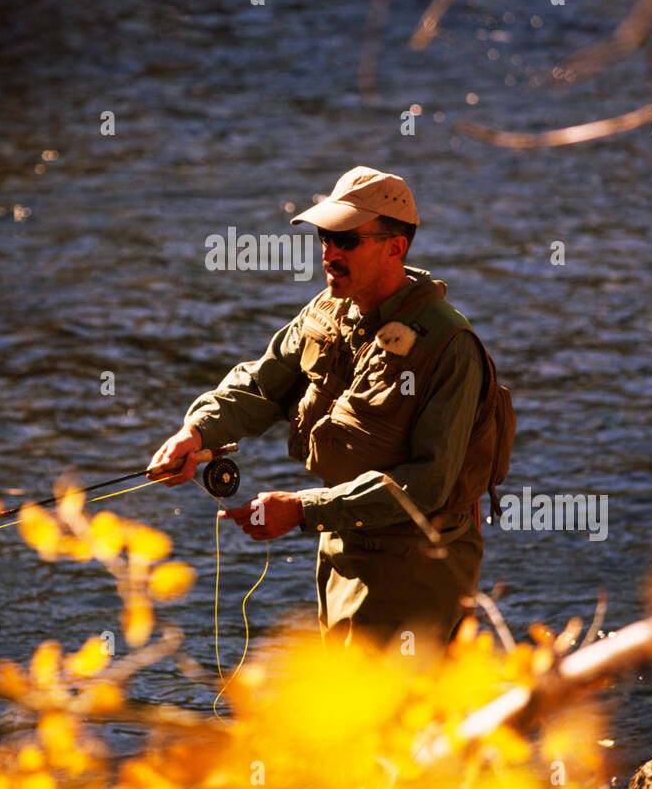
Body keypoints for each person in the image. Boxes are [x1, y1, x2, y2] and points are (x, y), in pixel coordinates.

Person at [149, 166, 504, 652]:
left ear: (395, 247)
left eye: (347, 241)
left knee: (390, 719)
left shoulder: (449, 347)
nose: (330, 253)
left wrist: (299, 509)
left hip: (418, 565)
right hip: (341, 550)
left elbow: (425, 486)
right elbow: (262, 385)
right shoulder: (329, 312)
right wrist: (197, 432)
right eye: (324, 238)